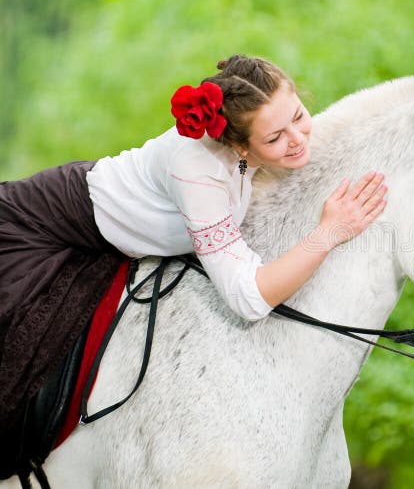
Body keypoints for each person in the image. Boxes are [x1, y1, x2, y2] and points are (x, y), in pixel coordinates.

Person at [0, 54, 387, 460]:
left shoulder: (262, 141)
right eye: (274, 138)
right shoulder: (197, 169)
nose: (296, 138)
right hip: (45, 224)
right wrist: (328, 233)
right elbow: (249, 299)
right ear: (238, 145)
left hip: (114, 227)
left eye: (299, 115)